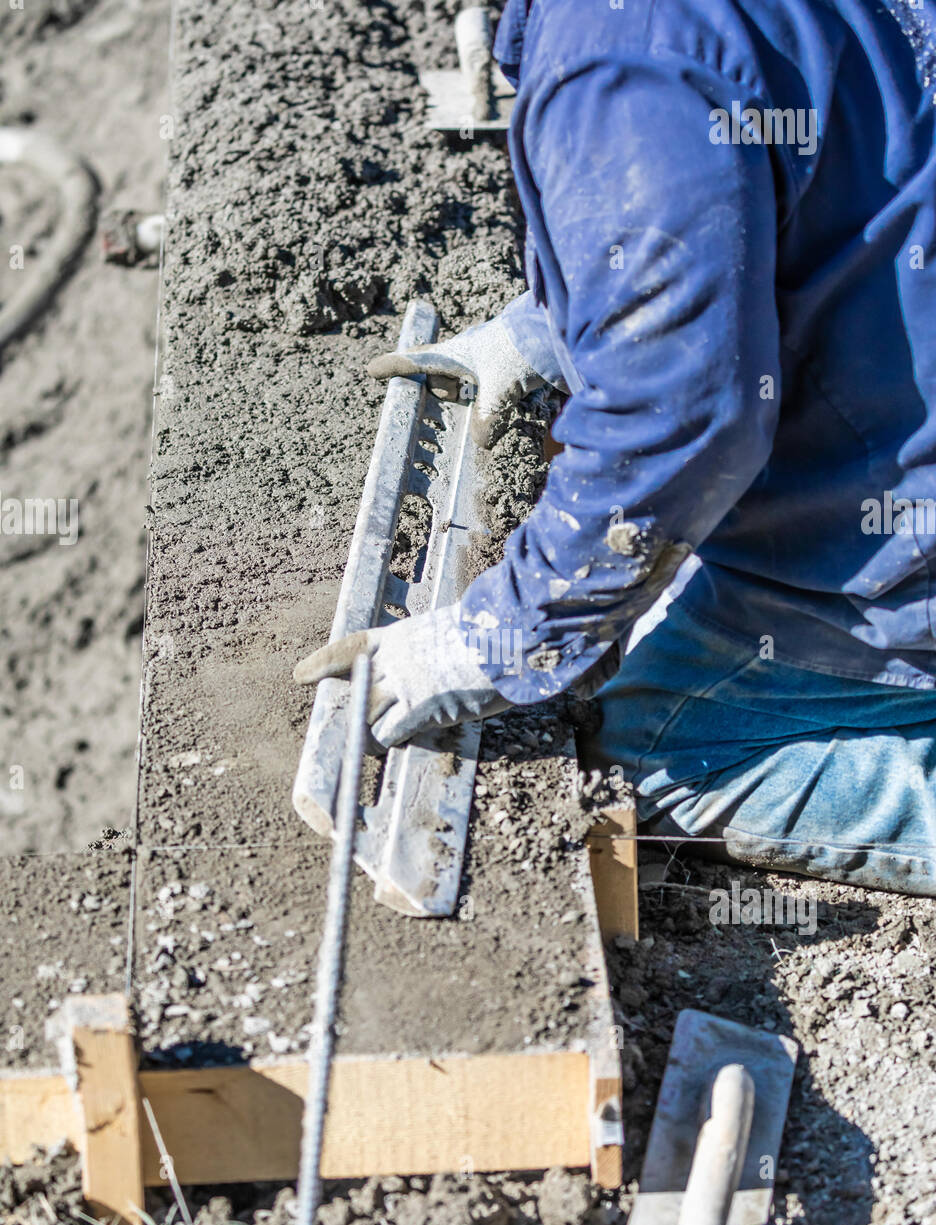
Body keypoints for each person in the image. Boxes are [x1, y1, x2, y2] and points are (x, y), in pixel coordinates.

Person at [296, 0, 936, 896]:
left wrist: (500, 639)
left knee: (661, 742)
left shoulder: (619, 49)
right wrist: (552, 329)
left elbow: (678, 415)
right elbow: (791, 165)